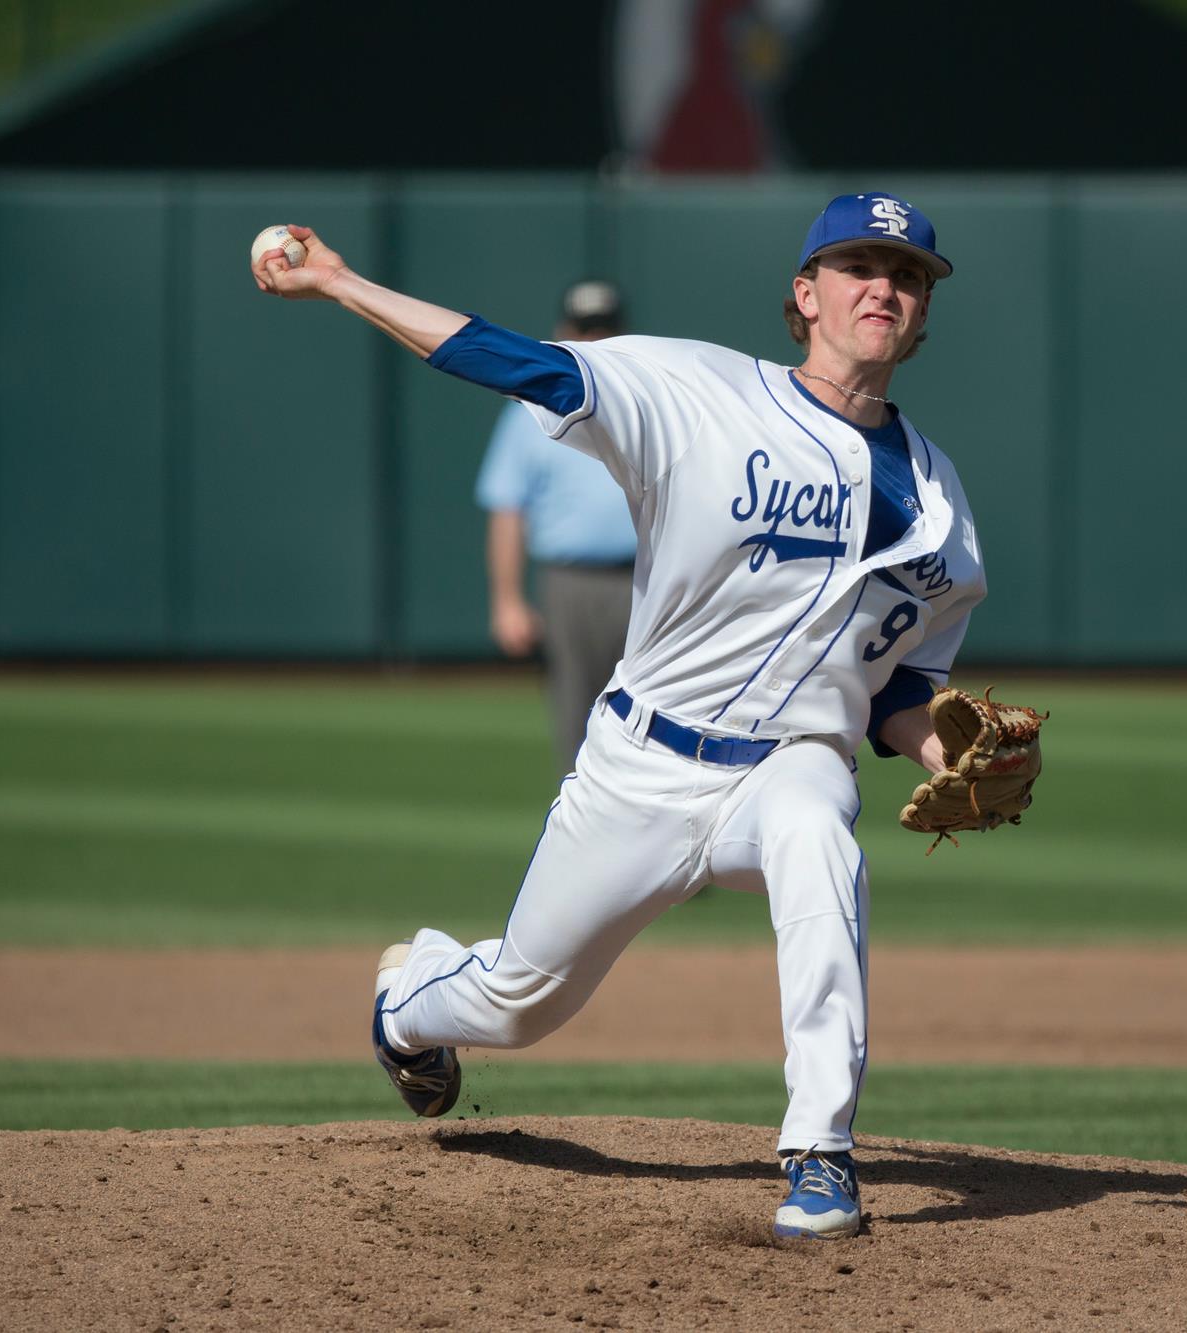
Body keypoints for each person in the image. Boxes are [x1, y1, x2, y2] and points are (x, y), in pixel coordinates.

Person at [252, 191, 986, 1241]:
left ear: (921, 310)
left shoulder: (940, 505)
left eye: (907, 274)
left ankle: (819, 1153)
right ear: (804, 293)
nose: (884, 287)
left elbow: (899, 687)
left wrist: (940, 746)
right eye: (859, 266)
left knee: (819, 834)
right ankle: (407, 1002)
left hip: (788, 761)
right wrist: (338, 282)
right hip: (640, 767)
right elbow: (511, 360)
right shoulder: (698, 392)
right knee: (520, 1001)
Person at [475, 280, 638, 776]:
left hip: (648, 577)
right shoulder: (530, 409)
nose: (593, 342)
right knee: (577, 719)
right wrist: (507, 600)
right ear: (563, 333)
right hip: (572, 581)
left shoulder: (645, 402)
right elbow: (507, 507)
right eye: (584, 330)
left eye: (603, 330)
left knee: (653, 717)